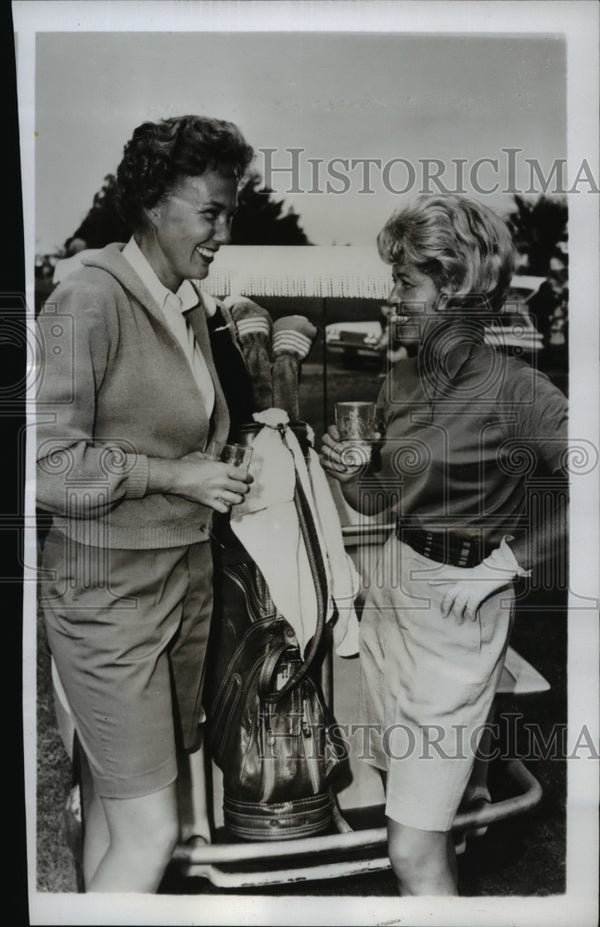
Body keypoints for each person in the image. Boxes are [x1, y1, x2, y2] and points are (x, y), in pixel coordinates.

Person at [320, 194, 568, 896]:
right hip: (391, 600)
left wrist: (509, 562)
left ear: (454, 284)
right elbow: (378, 504)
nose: (392, 298)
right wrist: (354, 473)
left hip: (459, 617)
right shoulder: (399, 380)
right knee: (406, 804)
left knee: (413, 847)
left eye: (405, 281)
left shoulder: (516, 388)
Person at [36, 115, 255, 892]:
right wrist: (176, 476)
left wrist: (218, 466)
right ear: (155, 204)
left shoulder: (187, 304)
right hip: (106, 596)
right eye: (211, 212)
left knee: (111, 810)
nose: (224, 231)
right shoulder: (84, 298)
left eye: (231, 211)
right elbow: (45, 465)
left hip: (179, 587)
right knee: (152, 831)